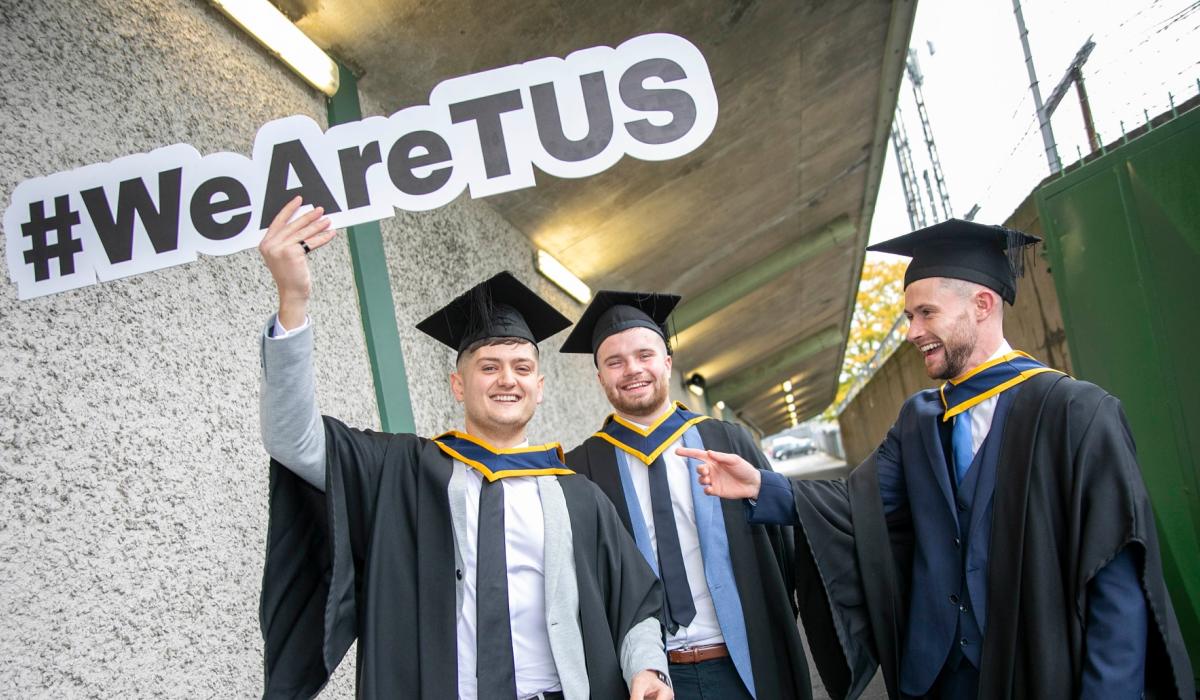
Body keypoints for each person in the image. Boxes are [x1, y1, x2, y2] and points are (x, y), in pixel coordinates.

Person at [687, 219, 1195, 699]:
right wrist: (761, 486)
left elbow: (1113, 579)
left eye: (925, 313)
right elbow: (858, 501)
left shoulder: (1076, 414)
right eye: (910, 316)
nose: (912, 331)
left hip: (1034, 670)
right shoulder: (922, 420)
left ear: (982, 303)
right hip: (935, 676)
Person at [255, 196, 674, 699]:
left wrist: (648, 669)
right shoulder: (403, 471)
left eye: (521, 368)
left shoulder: (577, 497)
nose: (507, 380)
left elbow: (637, 605)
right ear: (458, 385)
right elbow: (291, 440)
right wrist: (293, 302)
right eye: (489, 366)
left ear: (539, 387)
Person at [558, 291, 811, 700]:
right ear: (600, 377)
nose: (632, 370)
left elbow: (781, 548)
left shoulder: (726, 440)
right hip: (648, 682)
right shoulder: (582, 468)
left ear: (667, 363)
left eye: (645, 355)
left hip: (744, 666)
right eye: (615, 362)